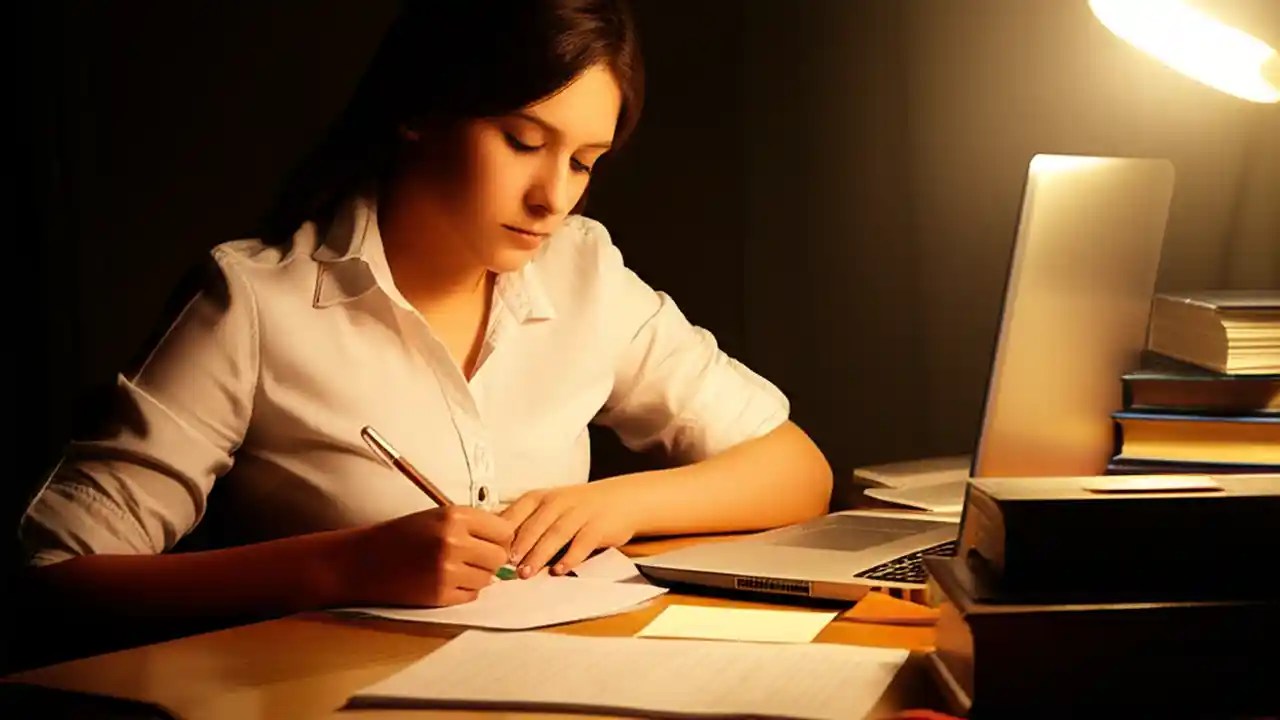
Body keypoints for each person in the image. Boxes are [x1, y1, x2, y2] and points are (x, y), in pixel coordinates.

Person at [17, 0, 832, 635]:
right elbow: (55, 577)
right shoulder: (254, 303)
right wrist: (346, 566)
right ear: (422, 111)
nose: (554, 197)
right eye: (522, 141)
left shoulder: (584, 272)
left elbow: (798, 471)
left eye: (585, 162)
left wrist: (620, 505)